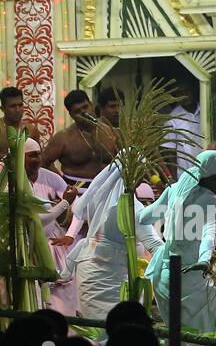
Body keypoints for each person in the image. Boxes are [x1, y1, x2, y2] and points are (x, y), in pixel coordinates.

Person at [138, 150, 216, 346]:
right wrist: (204, 259)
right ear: (211, 176)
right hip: (191, 275)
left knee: (187, 334)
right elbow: (209, 235)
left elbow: (144, 218)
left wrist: (130, 197)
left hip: (165, 276)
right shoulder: (212, 203)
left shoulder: (174, 190)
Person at [62, 160, 161, 328]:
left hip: (89, 274)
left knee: (98, 330)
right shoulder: (131, 207)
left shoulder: (98, 199)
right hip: (113, 279)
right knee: (118, 332)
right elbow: (155, 246)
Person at [23, 138, 80, 315]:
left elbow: (80, 208)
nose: (39, 160)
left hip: (53, 246)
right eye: (33, 156)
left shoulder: (50, 177)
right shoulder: (12, 182)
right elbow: (36, 220)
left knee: (64, 297)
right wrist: (63, 203)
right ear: (20, 158)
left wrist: (70, 234)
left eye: (40, 155)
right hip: (25, 248)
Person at [41, 90, 116, 187]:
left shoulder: (110, 132)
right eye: (77, 111)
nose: (84, 113)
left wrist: (93, 130)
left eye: (85, 107)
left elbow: (117, 161)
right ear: (71, 115)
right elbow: (43, 163)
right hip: (75, 190)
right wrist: (58, 181)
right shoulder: (63, 137)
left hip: (105, 188)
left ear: (91, 105)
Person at [161, 80, 204, 179]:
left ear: (193, 91)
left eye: (186, 91)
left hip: (207, 171)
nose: (184, 96)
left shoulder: (206, 110)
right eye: (180, 93)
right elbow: (169, 152)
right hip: (186, 175)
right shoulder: (172, 119)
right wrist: (175, 180)